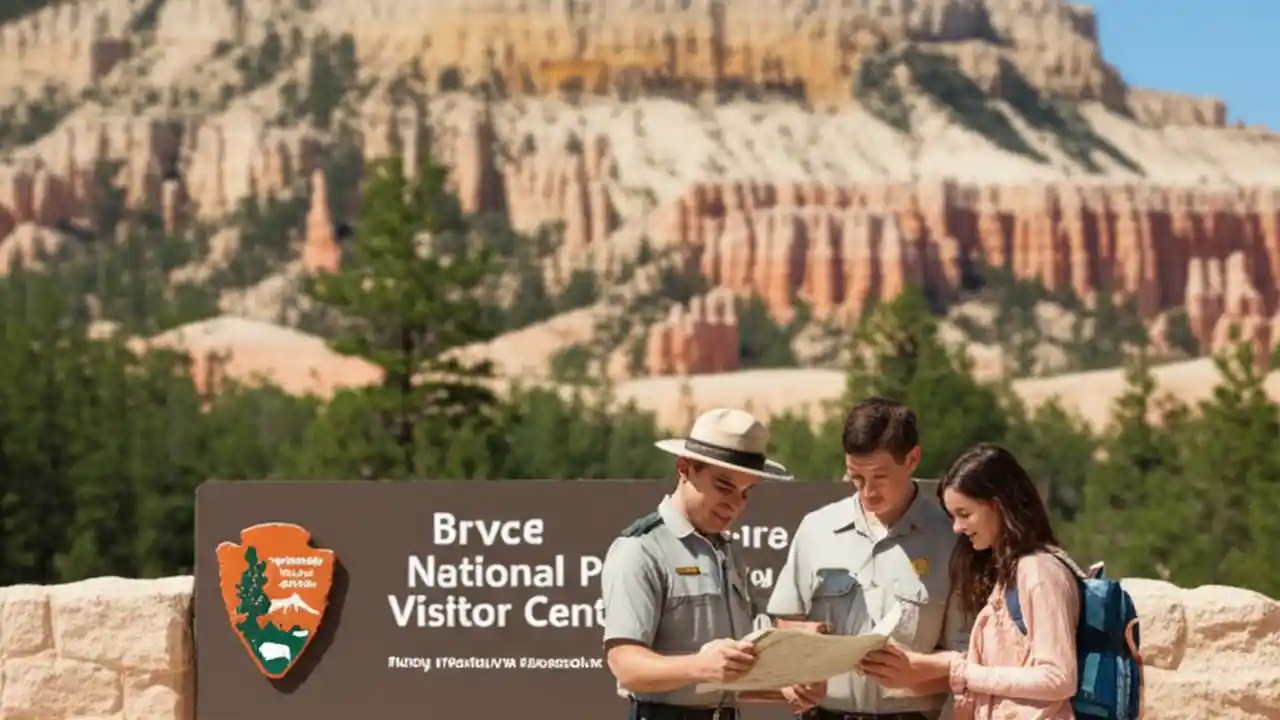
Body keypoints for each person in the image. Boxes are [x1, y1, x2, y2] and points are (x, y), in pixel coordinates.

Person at [600, 407, 821, 720]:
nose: (735, 505)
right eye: (724, 487)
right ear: (685, 469)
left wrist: (786, 688)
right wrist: (701, 666)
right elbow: (625, 665)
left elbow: (730, 674)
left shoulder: (725, 550)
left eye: (747, 493)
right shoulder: (641, 549)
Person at [766, 397, 973, 719]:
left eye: (880, 477)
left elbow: (971, 656)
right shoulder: (816, 529)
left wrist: (916, 671)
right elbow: (783, 621)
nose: (867, 492)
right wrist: (795, 675)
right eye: (856, 478)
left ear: (912, 459)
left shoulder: (951, 540)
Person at [932, 442, 1082, 720]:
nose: (957, 528)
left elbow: (1059, 677)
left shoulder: (1038, 572)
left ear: (998, 505)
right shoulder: (1009, 573)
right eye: (953, 516)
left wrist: (967, 674)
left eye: (965, 514)